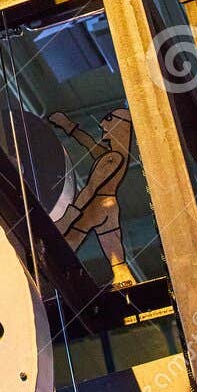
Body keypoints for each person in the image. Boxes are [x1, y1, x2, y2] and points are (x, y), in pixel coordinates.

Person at [48, 107, 135, 287]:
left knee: (69, 241)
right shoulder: (114, 155)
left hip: (96, 205)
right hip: (109, 206)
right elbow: (89, 143)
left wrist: (68, 218)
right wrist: (68, 125)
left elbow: (90, 189)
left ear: (122, 126)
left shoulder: (113, 158)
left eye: (109, 119)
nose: (103, 124)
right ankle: (125, 279)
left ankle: (59, 280)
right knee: (114, 250)